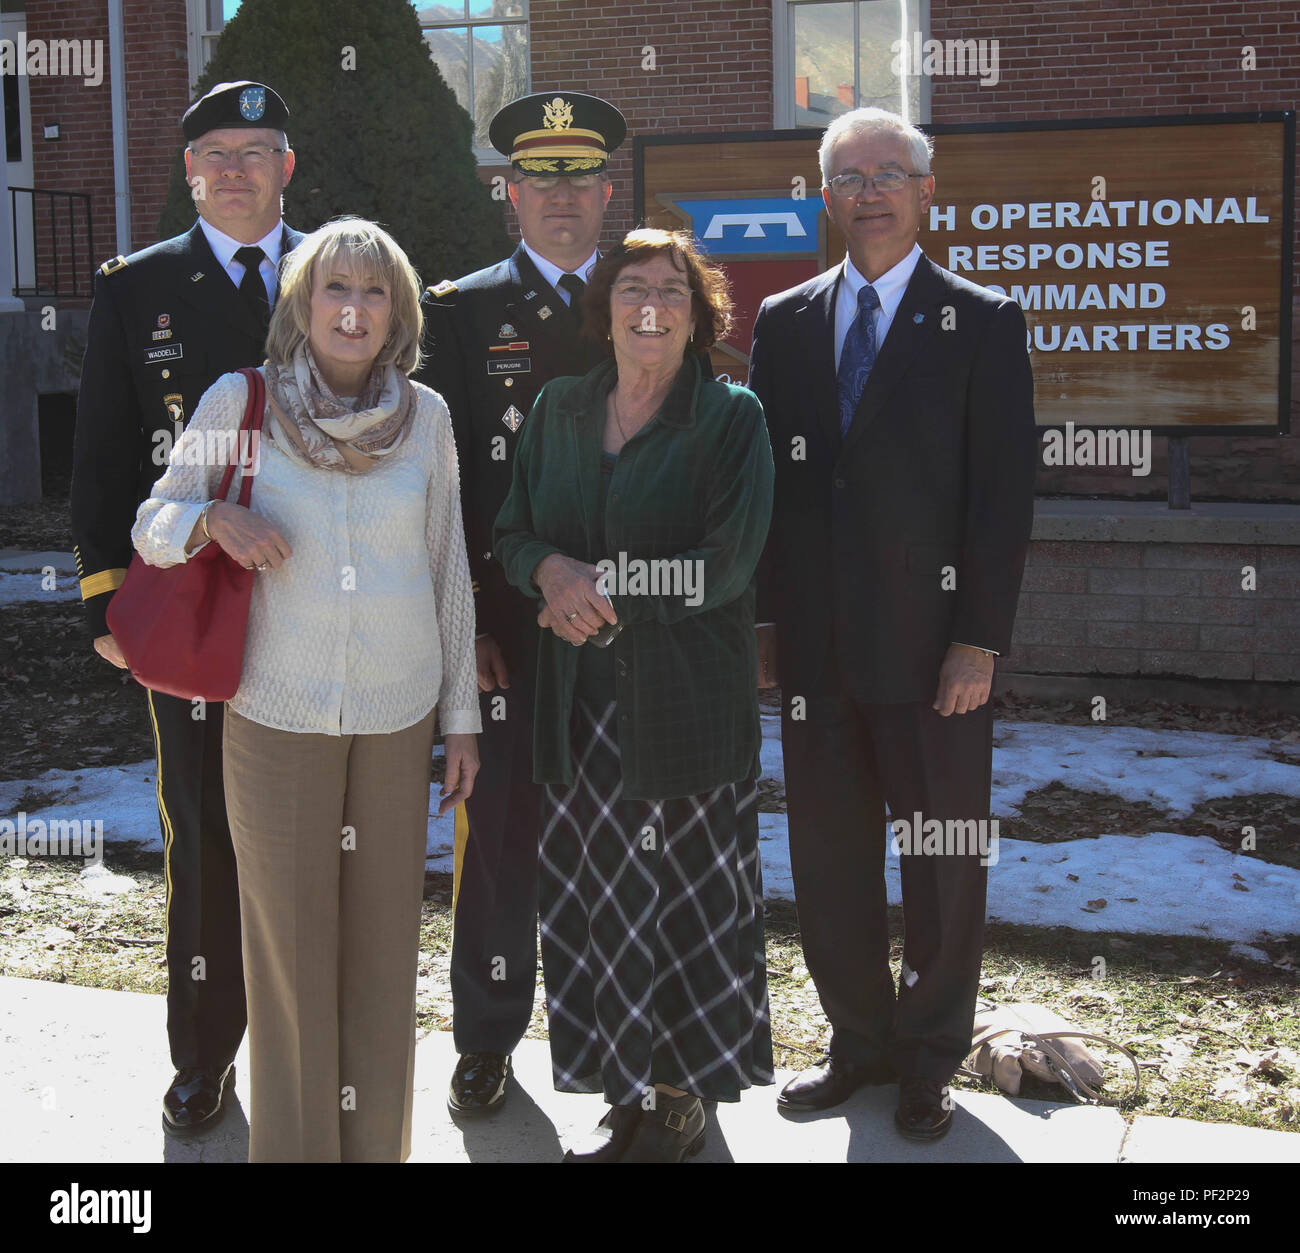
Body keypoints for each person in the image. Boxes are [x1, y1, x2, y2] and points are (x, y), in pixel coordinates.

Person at [130, 217, 481, 1162]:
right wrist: (214, 518)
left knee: (379, 958)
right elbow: (150, 521)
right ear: (303, 302)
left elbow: (449, 567)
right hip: (276, 715)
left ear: (398, 312)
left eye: (374, 292)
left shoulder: (430, 418)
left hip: (396, 715)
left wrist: (461, 724)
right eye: (336, 288)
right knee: (286, 957)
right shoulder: (240, 401)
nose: (354, 309)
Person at [748, 107, 1037, 1141]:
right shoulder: (782, 323)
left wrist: (980, 637)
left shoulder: (984, 318)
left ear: (926, 191)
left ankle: (927, 1055)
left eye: (888, 172)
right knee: (828, 857)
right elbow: (773, 496)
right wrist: (768, 622)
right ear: (823, 197)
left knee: (943, 856)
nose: (867, 191)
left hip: (934, 655)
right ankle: (858, 1042)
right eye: (847, 176)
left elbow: (1003, 497)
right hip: (819, 651)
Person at [494, 227, 775, 1162]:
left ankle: (684, 1104)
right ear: (605, 307)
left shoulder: (731, 416)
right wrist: (548, 572)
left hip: (686, 710)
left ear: (696, 317)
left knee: (689, 910)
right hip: (579, 713)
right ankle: (627, 1093)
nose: (649, 303)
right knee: (599, 907)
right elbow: (512, 533)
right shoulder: (559, 408)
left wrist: (598, 590)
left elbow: (727, 567)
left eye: (672, 290)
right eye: (631, 287)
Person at [70, 80, 302, 1133]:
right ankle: (204, 1054)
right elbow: (103, 455)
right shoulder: (137, 288)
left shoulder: (337, 271)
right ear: (189, 172)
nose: (237, 170)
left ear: (287, 166)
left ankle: (319, 1050)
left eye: (257, 150)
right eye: (216, 153)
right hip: (195, 612)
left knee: (314, 834)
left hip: (323, 602)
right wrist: (105, 605)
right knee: (205, 834)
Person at [416, 91, 625, 1118]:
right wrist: (467, 632)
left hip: (630, 634)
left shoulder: (647, 296)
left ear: (607, 191)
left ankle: (622, 1043)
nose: (562, 199)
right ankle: (487, 1036)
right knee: (496, 842)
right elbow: (436, 489)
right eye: (540, 181)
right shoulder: (456, 312)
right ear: (508, 194)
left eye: (580, 179)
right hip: (506, 635)